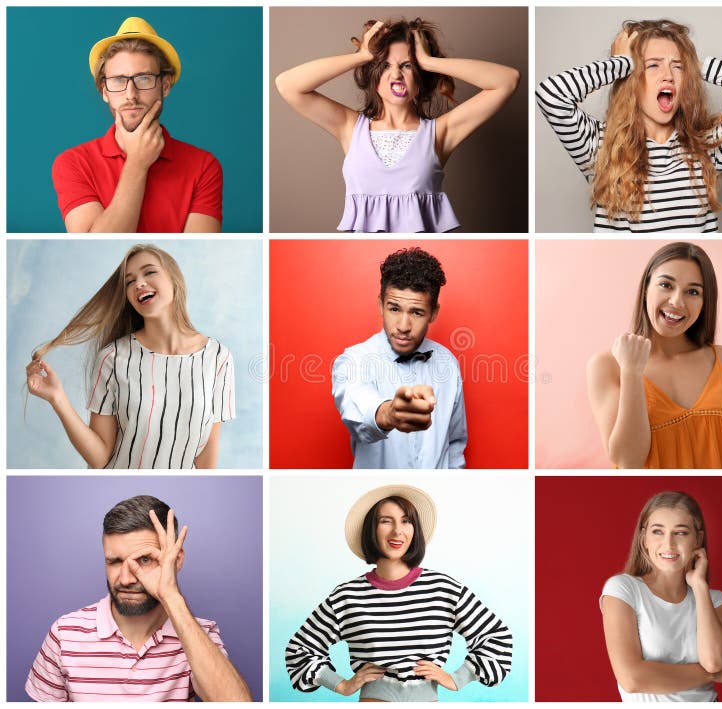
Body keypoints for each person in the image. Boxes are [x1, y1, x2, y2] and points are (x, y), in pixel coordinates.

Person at [536, 19, 722, 232]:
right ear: (631, 78)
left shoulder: (708, 147)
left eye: (677, 67)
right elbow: (550, 95)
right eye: (652, 65)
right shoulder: (600, 146)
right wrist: (620, 63)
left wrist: (693, 66)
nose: (668, 75)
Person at [275, 17, 519, 232]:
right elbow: (287, 84)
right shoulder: (350, 126)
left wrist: (429, 61)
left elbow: (507, 80)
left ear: (420, 75)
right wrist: (361, 56)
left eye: (407, 65)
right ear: (373, 73)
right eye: (384, 66)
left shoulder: (440, 132)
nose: (396, 76)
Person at [286, 484, 512, 701]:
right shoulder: (347, 596)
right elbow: (299, 649)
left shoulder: (444, 588)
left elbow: (497, 637)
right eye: (386, 521)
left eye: (406, 521)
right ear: (371, 529)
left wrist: (457, 679)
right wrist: (342, 685)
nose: (398, 531)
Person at [26, 244, 235, 469]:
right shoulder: (112, 358)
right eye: (129, 281)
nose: (139, 284)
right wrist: (57, 398)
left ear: (175, 280)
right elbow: (100, 458)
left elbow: (205, 459)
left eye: (149, 272)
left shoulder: (218, 358)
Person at [25, 495, 252, 702]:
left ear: (177, 560)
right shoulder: (65, 634)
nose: (125, 579)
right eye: (114, 561)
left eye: (144, 560)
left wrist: (171, 596)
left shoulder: (200, 634)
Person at [53, 17, 223, 233]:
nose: (130, 95)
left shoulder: (204, 166)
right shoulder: (73, 163)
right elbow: (93, 247)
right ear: (105, 91)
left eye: (143, 78)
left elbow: (199, 252)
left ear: (165, 84)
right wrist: (137, 163)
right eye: (118, 81)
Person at [587, 242, 722, 468]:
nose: (677, 302)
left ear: (704, 303)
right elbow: (628, 461)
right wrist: (631, 371)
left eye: (693, 292)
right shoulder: (608, 366)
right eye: (666, 285)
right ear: (646, 288)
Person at [332, 247, 466, 468]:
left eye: (417, 312)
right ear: (380, 305)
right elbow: (357, 410)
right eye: (394, 309)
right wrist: (390, 414)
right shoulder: (353, 360)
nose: (403, 327)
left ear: (433, 313)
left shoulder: (448, 363)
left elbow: (455, 445)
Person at [600, 491, 722, 701]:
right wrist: (713, 675)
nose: (669, 544)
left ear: (698, 539)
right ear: (643, 538)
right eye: (658, 532)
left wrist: (700, 587)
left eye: (681, 533)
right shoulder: (623, 590)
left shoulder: (716, 600)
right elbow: (632, 679)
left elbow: (714, 661)